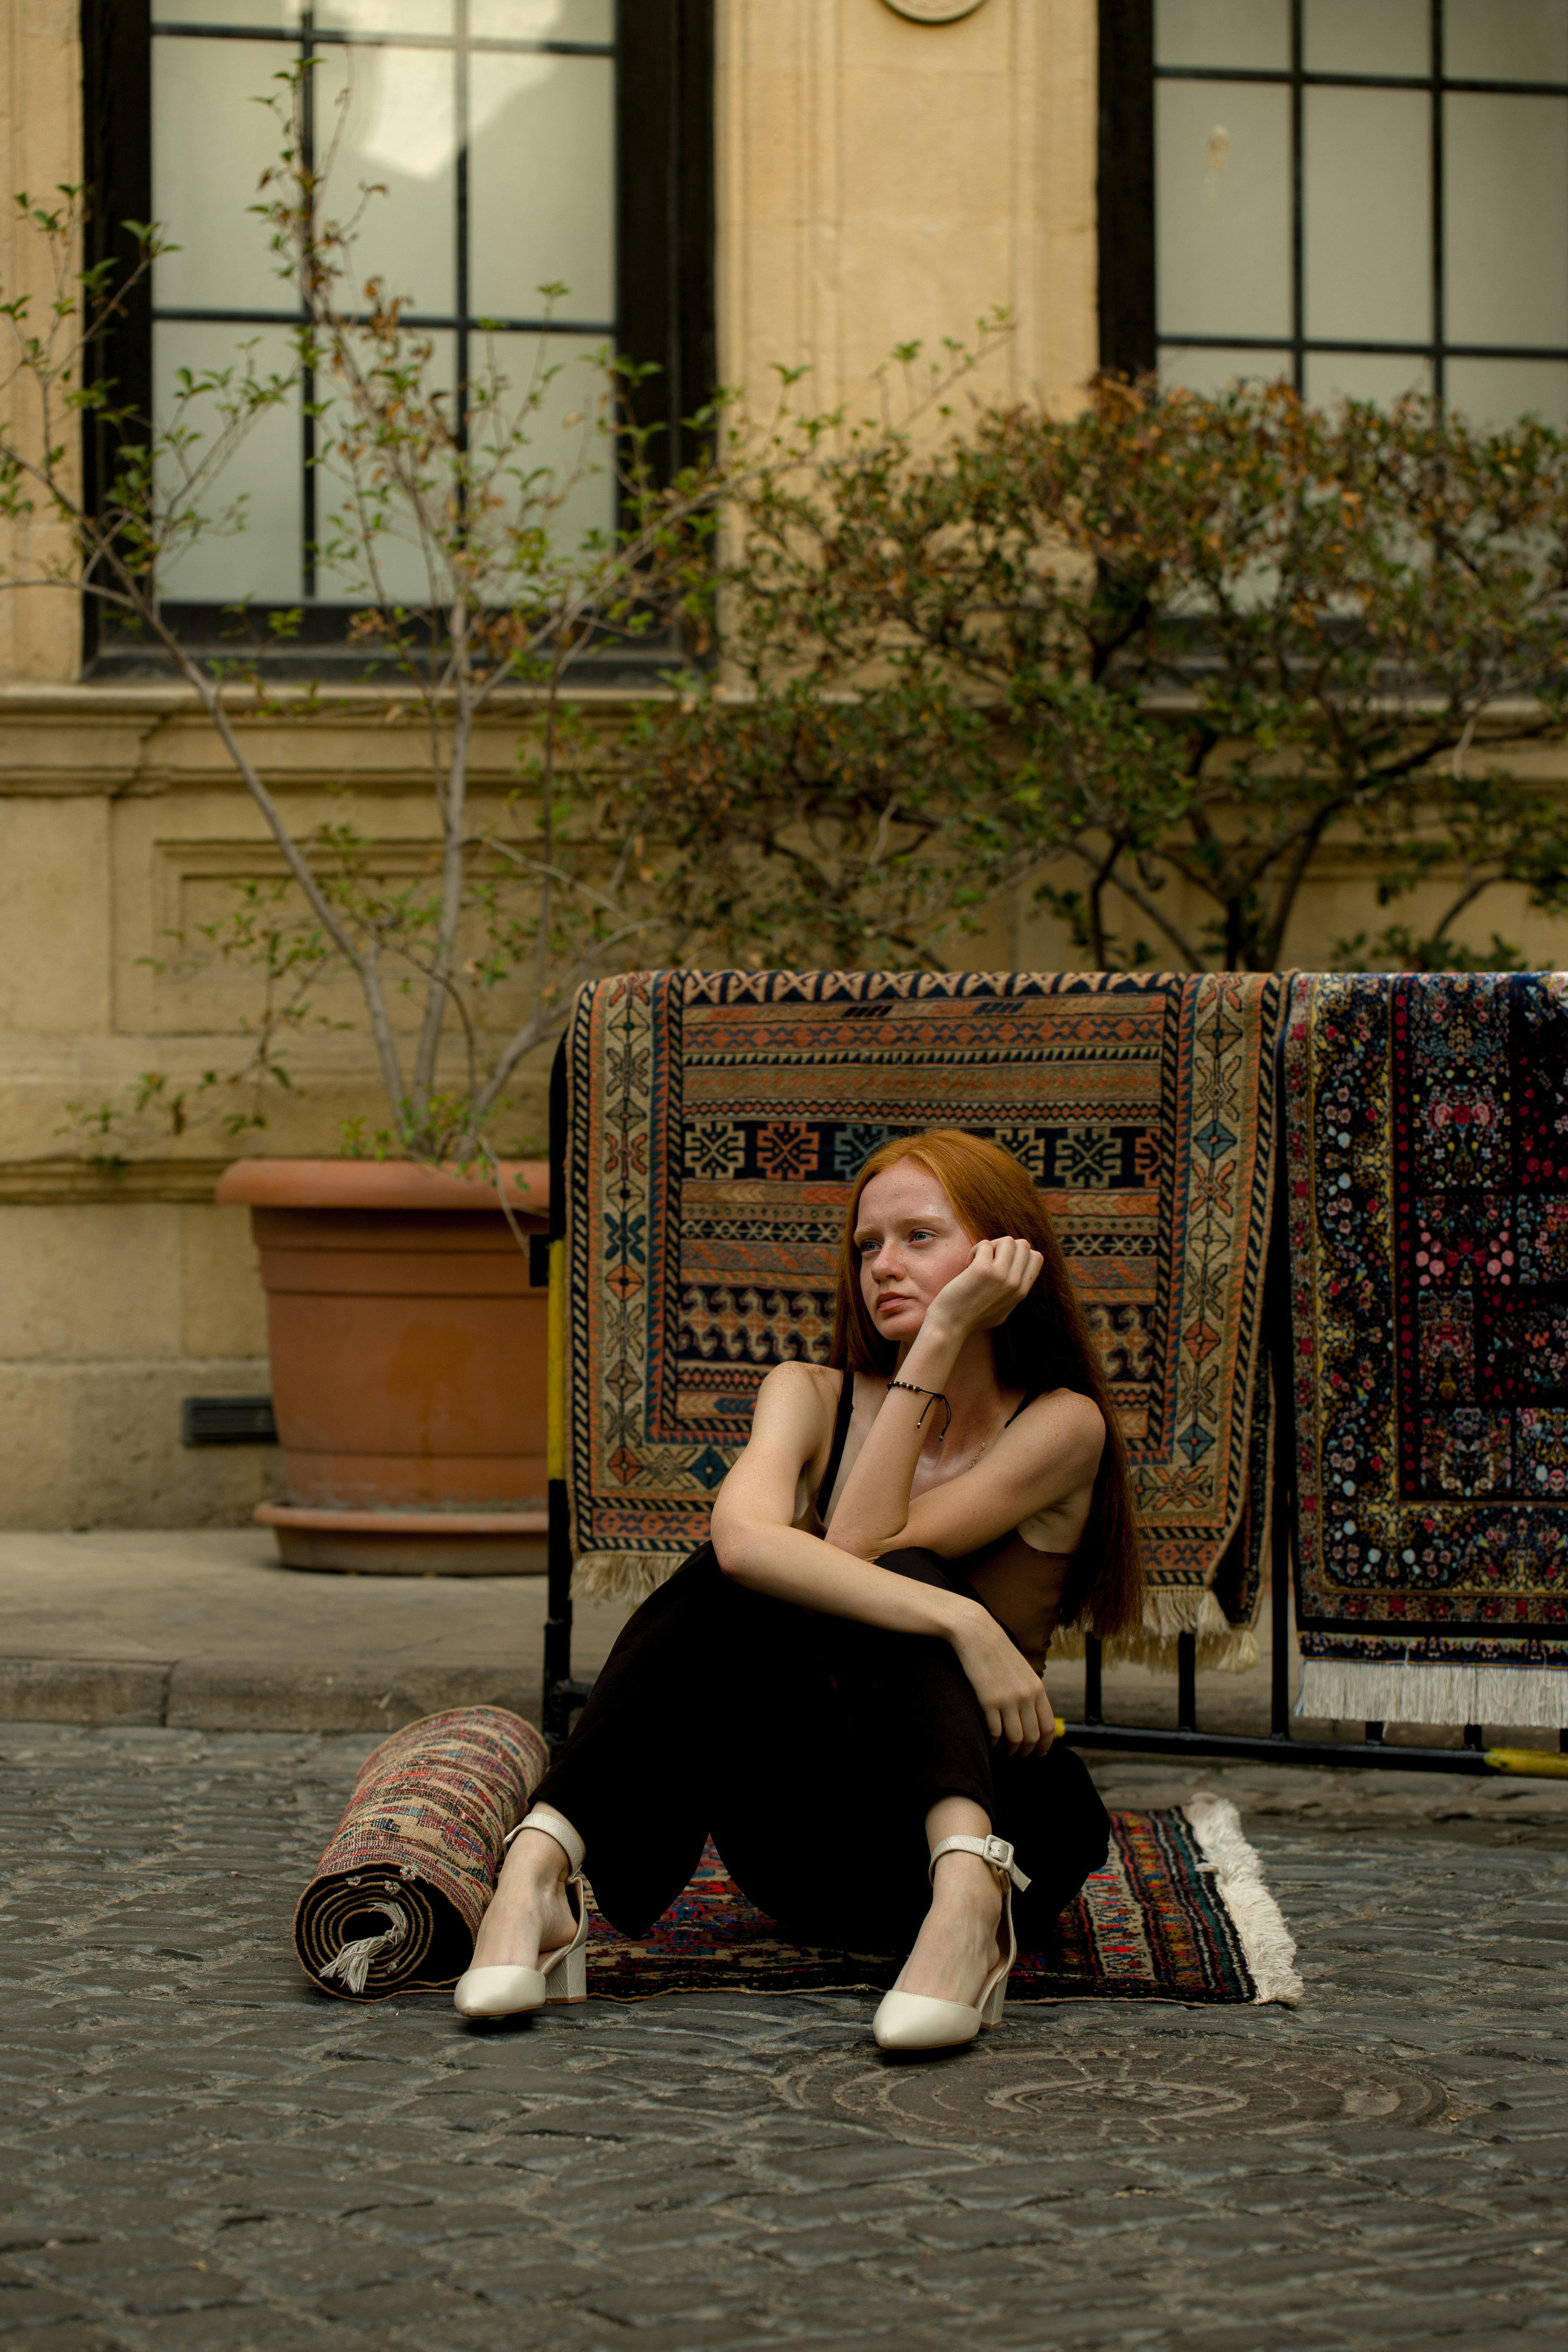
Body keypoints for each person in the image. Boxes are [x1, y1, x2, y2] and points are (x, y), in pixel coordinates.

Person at [455, 1128, 1145, 2051]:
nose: (883, 1267)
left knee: (866, 1568)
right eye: (867, 1246)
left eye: (919, 1238)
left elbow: (862, 1556)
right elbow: (745, 1549)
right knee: (736, 1570)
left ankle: (968, 1900)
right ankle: (535, 1877)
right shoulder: (807, 1394)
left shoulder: (1062, 1425)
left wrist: (939, 1338)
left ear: (1004, 1255)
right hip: (807, 1847)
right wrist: (962, 1621)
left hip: (1012, 1819)